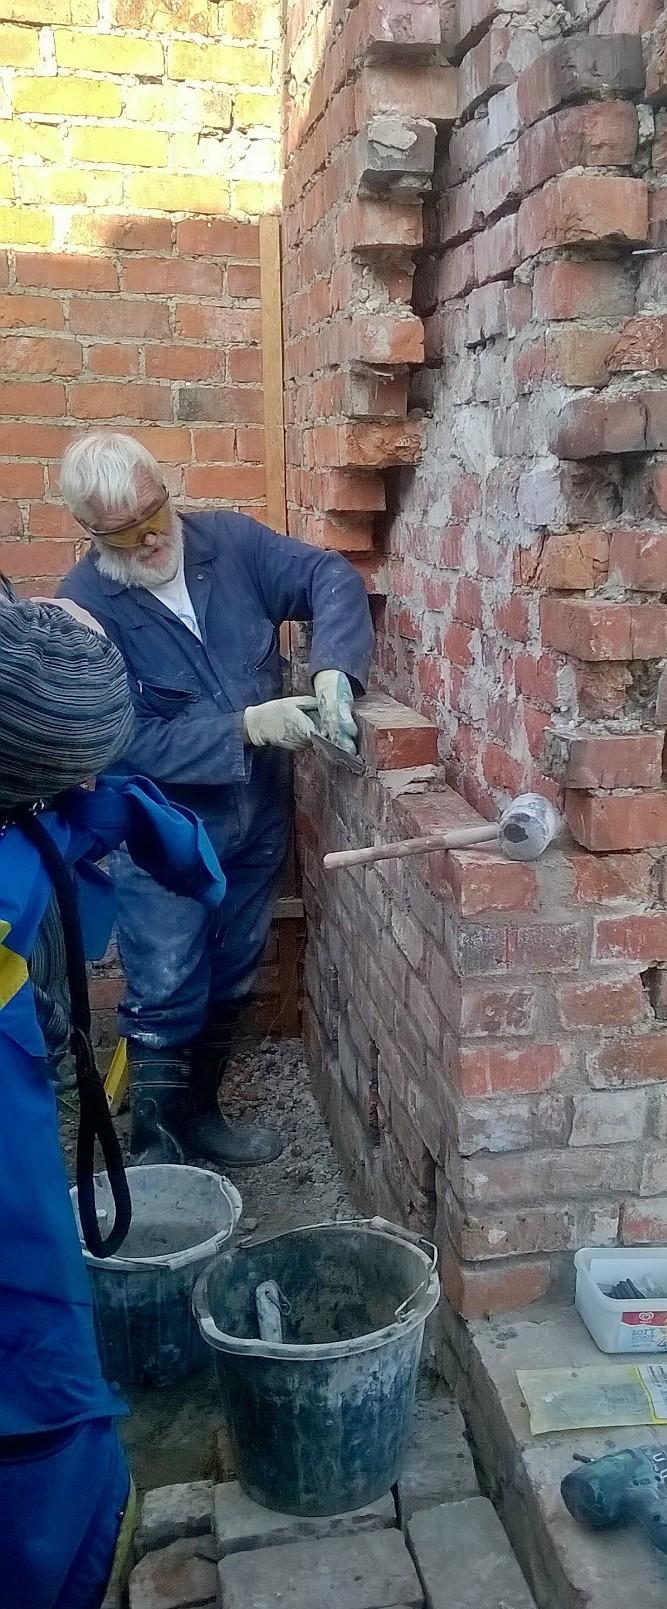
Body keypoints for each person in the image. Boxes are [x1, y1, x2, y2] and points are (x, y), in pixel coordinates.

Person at [0, 588, 226, 1609]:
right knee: (34, 1358)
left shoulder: (31, 798)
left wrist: (150, 824)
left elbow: (112, 813)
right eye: (75, 775)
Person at [58, 430, 374, 1168]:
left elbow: (330, 577)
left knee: (233, 966)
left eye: (154, 514)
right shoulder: (87, 607)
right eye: (124, 532)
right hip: (163, 835)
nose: (149, 539)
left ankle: (201, 1117)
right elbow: (118, 742)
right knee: (166, 982)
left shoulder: (229, 545)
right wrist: (244, 727)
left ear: (166, 493)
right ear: (91, 533)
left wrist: (335, 671)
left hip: (254, 818)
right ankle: (157, 1149)